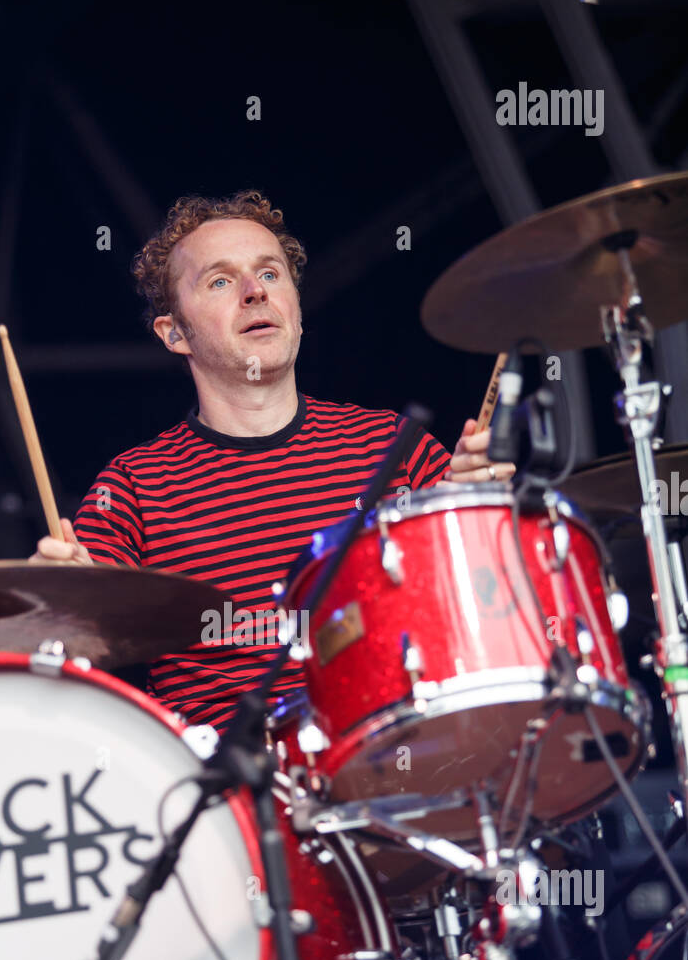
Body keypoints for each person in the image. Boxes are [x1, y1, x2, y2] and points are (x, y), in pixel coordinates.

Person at [32, 190, 513, 733]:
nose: (254, 292)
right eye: (220, 281)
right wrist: (61, 595)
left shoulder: (391, 444)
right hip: (238, 792)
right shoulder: (135, 486)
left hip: (407, 743)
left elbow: (483, 597)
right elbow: (72, 630)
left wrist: (477, 511)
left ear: (298, 311)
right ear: (174, 334)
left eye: (270, 274)